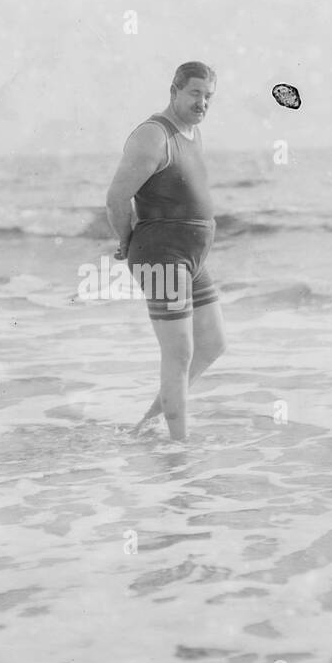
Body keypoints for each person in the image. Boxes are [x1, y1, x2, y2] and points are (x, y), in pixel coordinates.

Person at [106, 61, 226, 441]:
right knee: (179, 355)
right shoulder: (153, 136)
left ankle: (148, 425)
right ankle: (179, 450)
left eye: (208, 96)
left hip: (191, 258)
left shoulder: (193, 135)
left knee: (212, 344)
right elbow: (116, 197)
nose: (202, 103)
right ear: (173, 91)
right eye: (194, 93)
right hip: (162, 255)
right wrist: (126, 241)